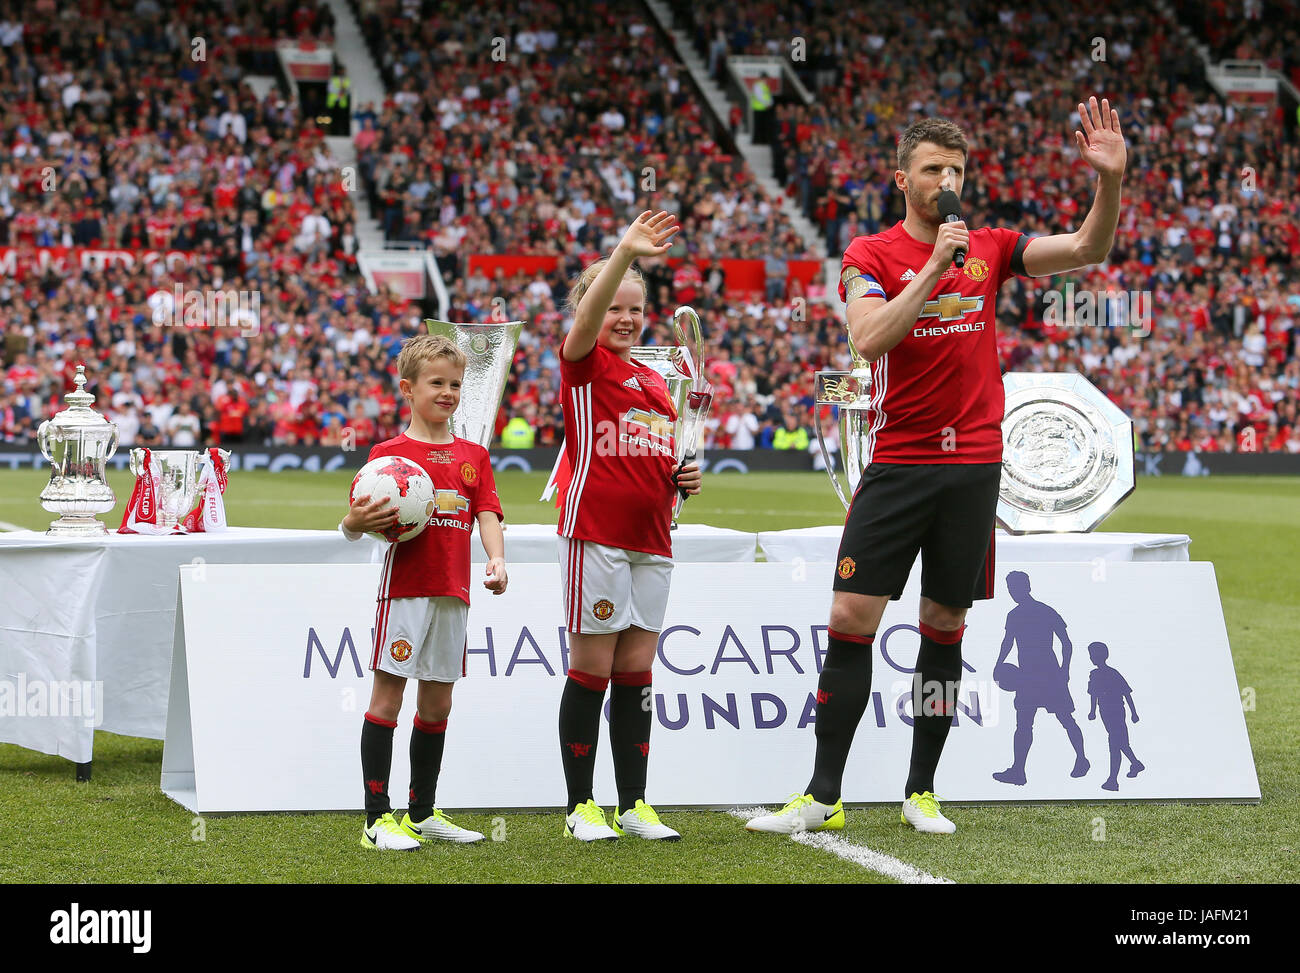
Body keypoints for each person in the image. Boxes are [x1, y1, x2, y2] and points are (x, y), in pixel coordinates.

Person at [747, 99, 1127, 835]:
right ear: (901, 179)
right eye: (932, 170)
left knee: (944, 623)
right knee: (849, 618)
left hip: (974, 466)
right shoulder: (869, 256)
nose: (946, 179)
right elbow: (869, 340)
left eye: (955, 169)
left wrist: (1108, 183)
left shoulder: (992, 245)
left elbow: (1086, 251)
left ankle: (921, 789)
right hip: (900, 461)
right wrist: (932, 269)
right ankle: (822, 794)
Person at [553, 210, 701, 841]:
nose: (625, 318)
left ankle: (633, 803)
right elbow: (582, 325)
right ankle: (581, 807)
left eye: (635, 310)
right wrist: (622, 253)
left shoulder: (653, 380)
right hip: (598, 534)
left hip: (652, 540)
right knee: (592, 670)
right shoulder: (584, 361)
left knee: (638, 674)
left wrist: (682, 479)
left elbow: (656, 457)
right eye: (614, 306)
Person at [340, 334, 508, 850]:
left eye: (456, 384)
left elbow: (487, 512)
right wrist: (352, 522)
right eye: (436, 382)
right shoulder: (388, 456)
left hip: (454, 591)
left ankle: (421, 811)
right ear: (407, 389)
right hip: (406, 592)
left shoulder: (473, 455)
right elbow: (356, 524)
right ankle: (375, 819)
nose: (448, 392)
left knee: (437, 705)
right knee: (388, 697)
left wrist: (497, 558)